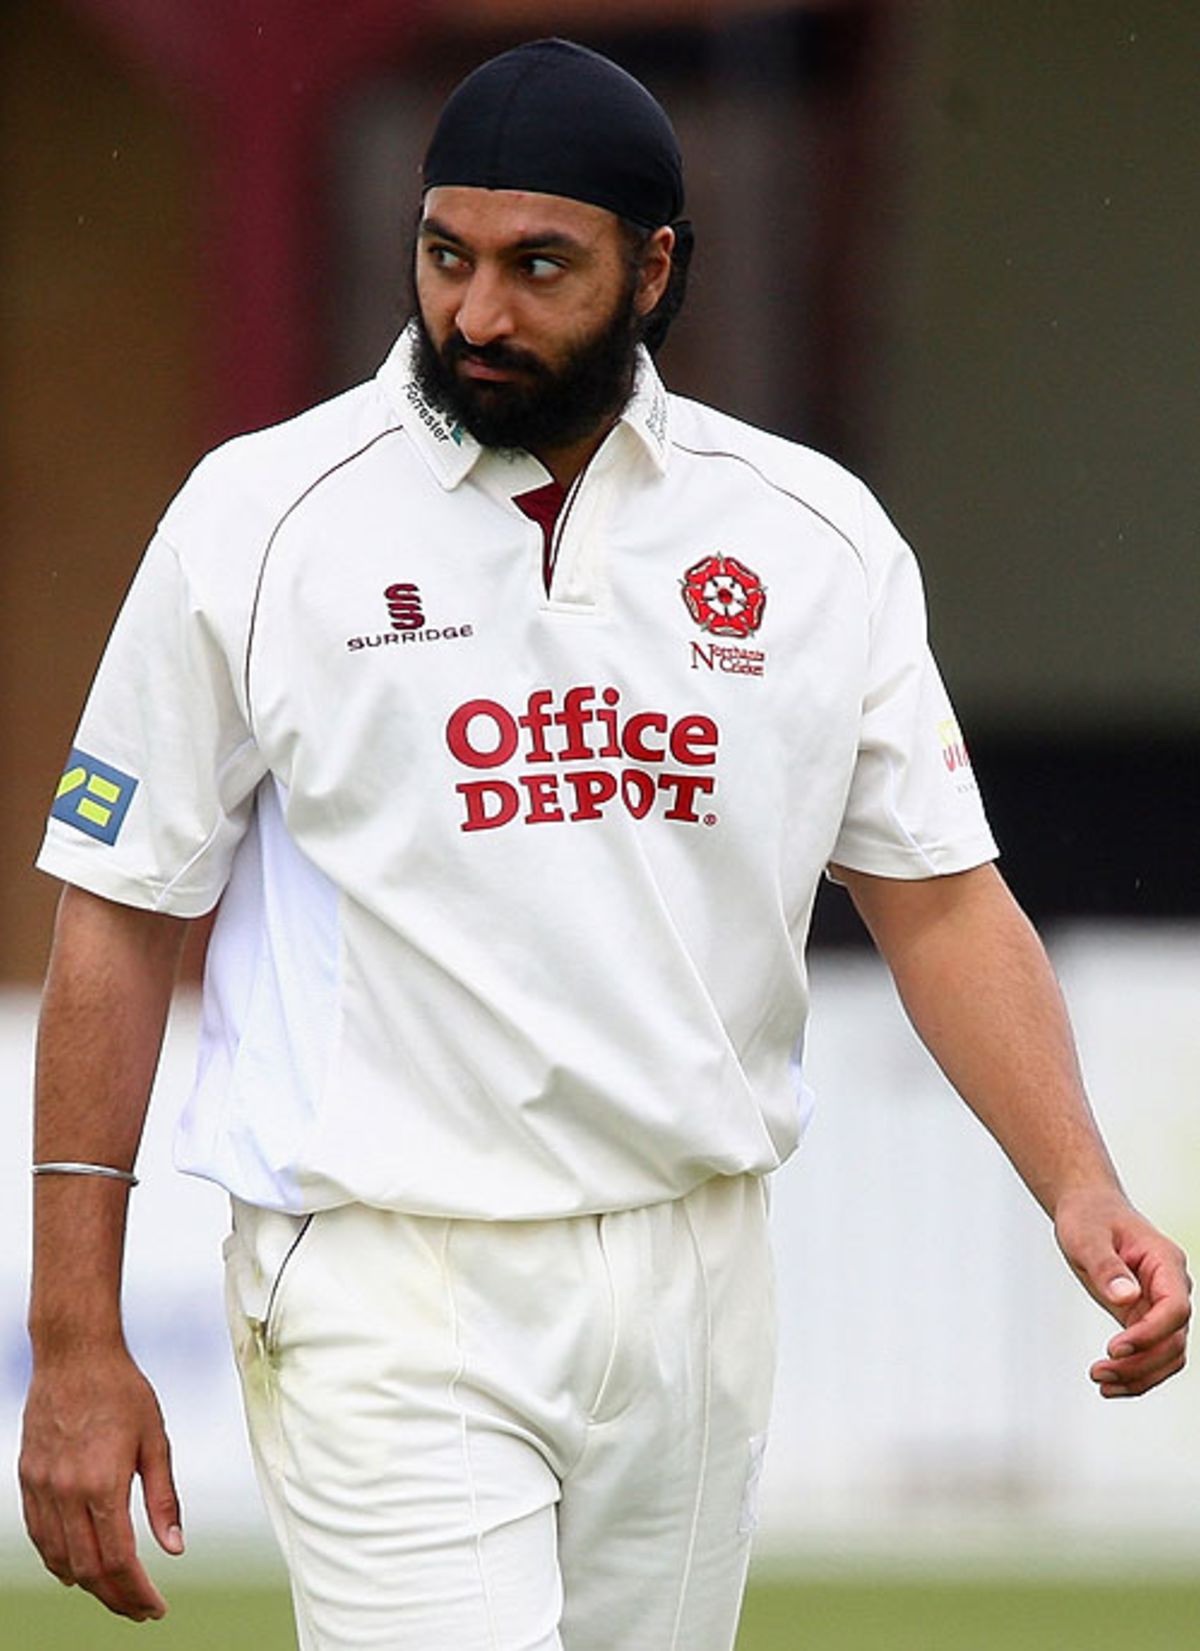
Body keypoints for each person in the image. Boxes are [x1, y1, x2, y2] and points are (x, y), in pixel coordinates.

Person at [19, 36, 1189, 1651]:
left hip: (696, 1272)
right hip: (384, 1277)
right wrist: (75, 1337)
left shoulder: (809, 536)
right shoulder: (262, 516)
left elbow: (939, 903)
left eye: (538, 266)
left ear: (654, 270)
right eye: (446, 255)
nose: (476, 314)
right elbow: (118, 913)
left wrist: (1079, 1183)